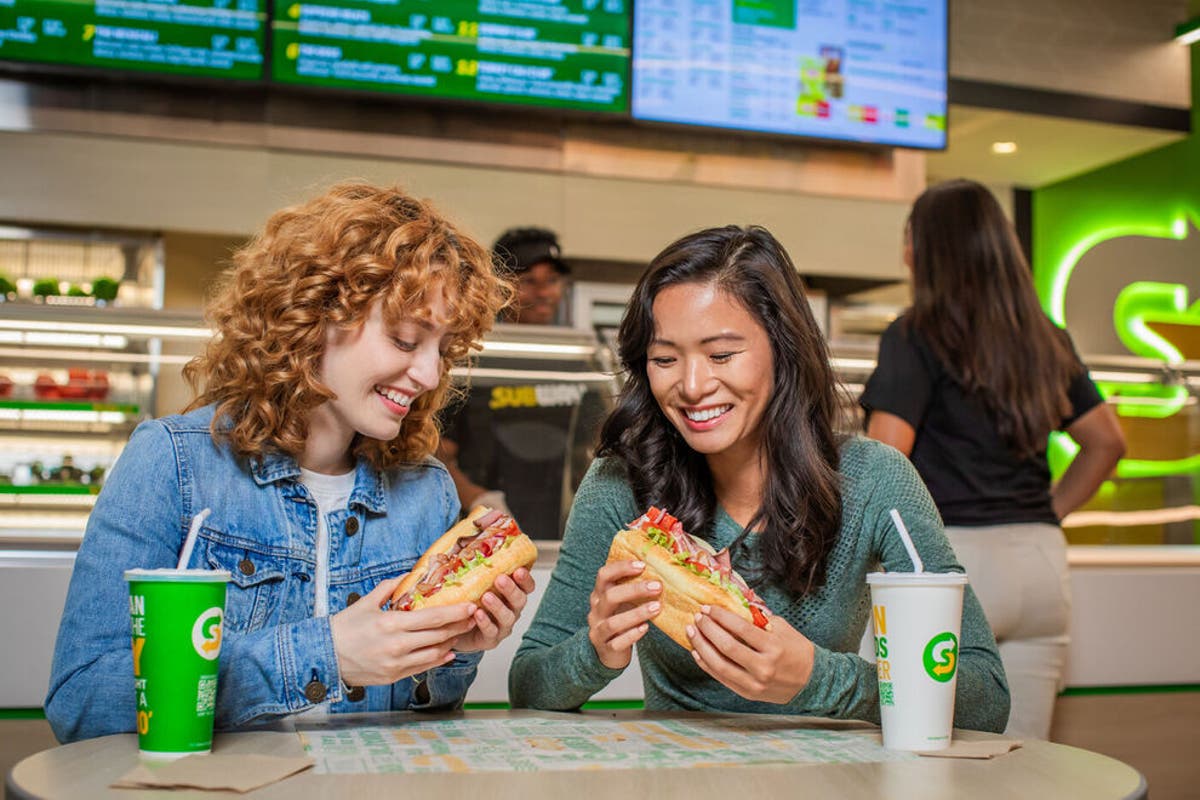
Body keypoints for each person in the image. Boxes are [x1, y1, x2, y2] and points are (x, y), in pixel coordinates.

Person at [45, 182, 535, 743]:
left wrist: (452, 650)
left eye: (442, 352)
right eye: (405, 340)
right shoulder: (173, 464)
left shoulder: (426, 491)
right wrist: (326, 653)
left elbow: (421, 721)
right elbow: (82, 702)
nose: (428, 374)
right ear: (312, 315)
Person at [508, 225, 1010, 734]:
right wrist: (596, 650)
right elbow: (528, 685)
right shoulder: (622, 482)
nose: (693, 386)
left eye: (722, 354)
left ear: (783, 348)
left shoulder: (874, 479)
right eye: (664, 359)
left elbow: (985, 697)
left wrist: (818, 680)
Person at [860, 179, 1125, 740]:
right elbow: (1106, 442)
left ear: (923, 250)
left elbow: (883, 459)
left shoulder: (914, 335)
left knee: (911, 747)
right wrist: (1047, 512)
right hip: (1040, 562)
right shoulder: (1045, 338)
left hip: (949, 564)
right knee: (1023, 764)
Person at [439, 226, 597, 539]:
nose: (544, 293)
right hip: (483, 529)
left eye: (551, 281)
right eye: (529, 282)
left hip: (561, 527)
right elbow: (438, 452)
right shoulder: (475, 355)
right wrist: (477, 499)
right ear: (502, 287)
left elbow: (595, 448)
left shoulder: (578, 359)